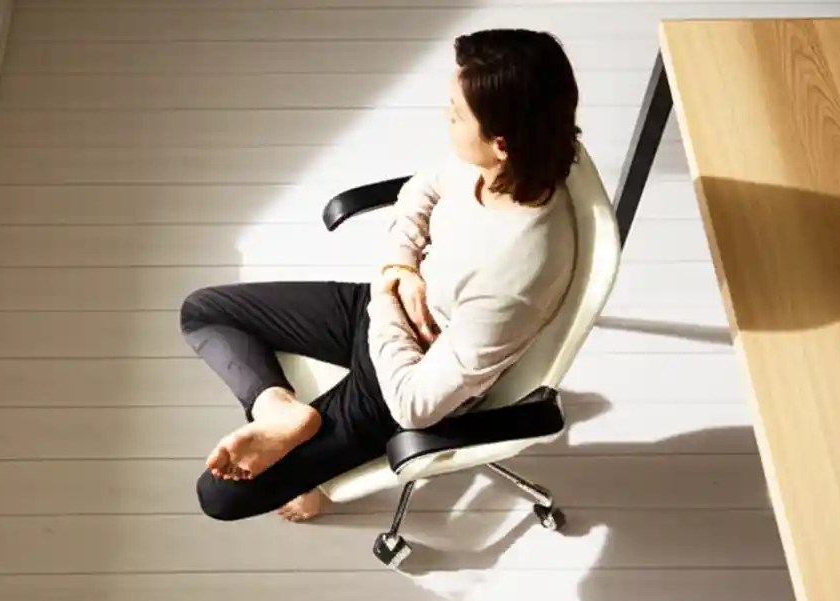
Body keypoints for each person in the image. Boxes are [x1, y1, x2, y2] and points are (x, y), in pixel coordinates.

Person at [180, 28, 580, 523]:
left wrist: (387, 293)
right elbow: (420, 190)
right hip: (392, 305)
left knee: (217, 497)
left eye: (456, 115)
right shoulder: (497, 167)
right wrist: (400, 269)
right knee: (202, 311)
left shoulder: (516, 276)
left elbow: (415, 407)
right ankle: (277, 407)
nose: (446, 121)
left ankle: (309, 462)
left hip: (398, 378)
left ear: (500, 142)